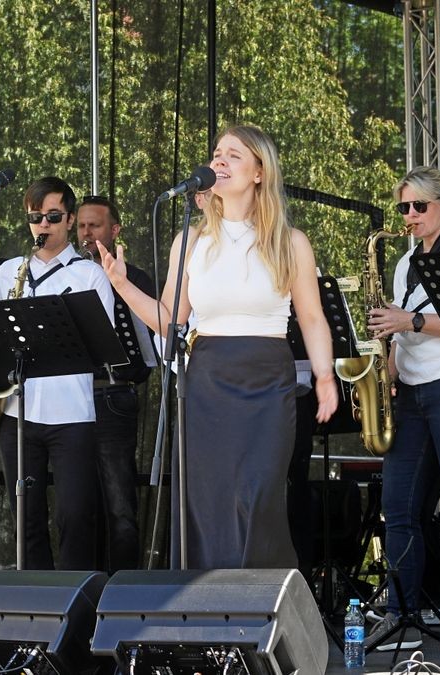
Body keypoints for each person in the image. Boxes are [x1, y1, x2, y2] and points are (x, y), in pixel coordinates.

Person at [98, 124, 337, 570]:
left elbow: (311, 318)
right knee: (207, 504)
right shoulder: (191, 241)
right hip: (206, 380)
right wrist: (122, 285)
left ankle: (257, 613)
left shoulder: (290, 241)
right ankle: (204, 613)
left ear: (260, 172)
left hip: (268, 380)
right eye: (216, 154)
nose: (219, 161)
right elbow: (171, 321)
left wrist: (325, 376)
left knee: (258, 497)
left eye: (233, 155)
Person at [360, 166, 440, 653]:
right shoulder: (404, 262)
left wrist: (409, 319)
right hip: (412, 390)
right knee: (398, 508)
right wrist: (383, 377)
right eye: (404, 208)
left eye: (419, 206)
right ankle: (399, 612)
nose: (410, 216)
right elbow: (400, 333)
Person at [0, 177, 113, 571]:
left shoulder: (90, 276)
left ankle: (77, 609)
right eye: (36, 217)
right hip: (17, 412)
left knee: (75, 517)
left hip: (72, 416)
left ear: (68, 219)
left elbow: (103, 344)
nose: (43, 225)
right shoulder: (10, 272)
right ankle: (36, 609)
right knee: (25, 519)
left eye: (52, 216)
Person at [75, 195, 157, 572]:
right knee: (76, 507)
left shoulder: (135, 279)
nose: (86, 233)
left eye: (95, 225)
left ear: (115, 230)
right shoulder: (66, 271)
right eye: (81, 226)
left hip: (112, 395)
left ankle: (124, 597)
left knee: (120, 505)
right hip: (69, 402)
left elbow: (147, 358)